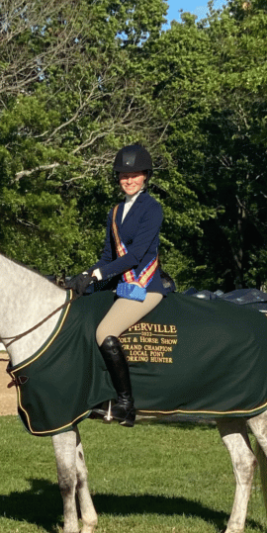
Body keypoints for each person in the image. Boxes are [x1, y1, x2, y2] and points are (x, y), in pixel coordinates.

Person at [68, 143, 172, 427]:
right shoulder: (114, 212)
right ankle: (98, 394)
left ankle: (125, 404)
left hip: (147, 286)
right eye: (124, 175)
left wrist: (100, 275)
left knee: (105, 330)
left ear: (145, 176)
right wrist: (84, 275)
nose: (129, 180)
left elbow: (137, 255)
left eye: (135, 175)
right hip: (122, 285)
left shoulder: (152, 209)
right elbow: (107, 257)